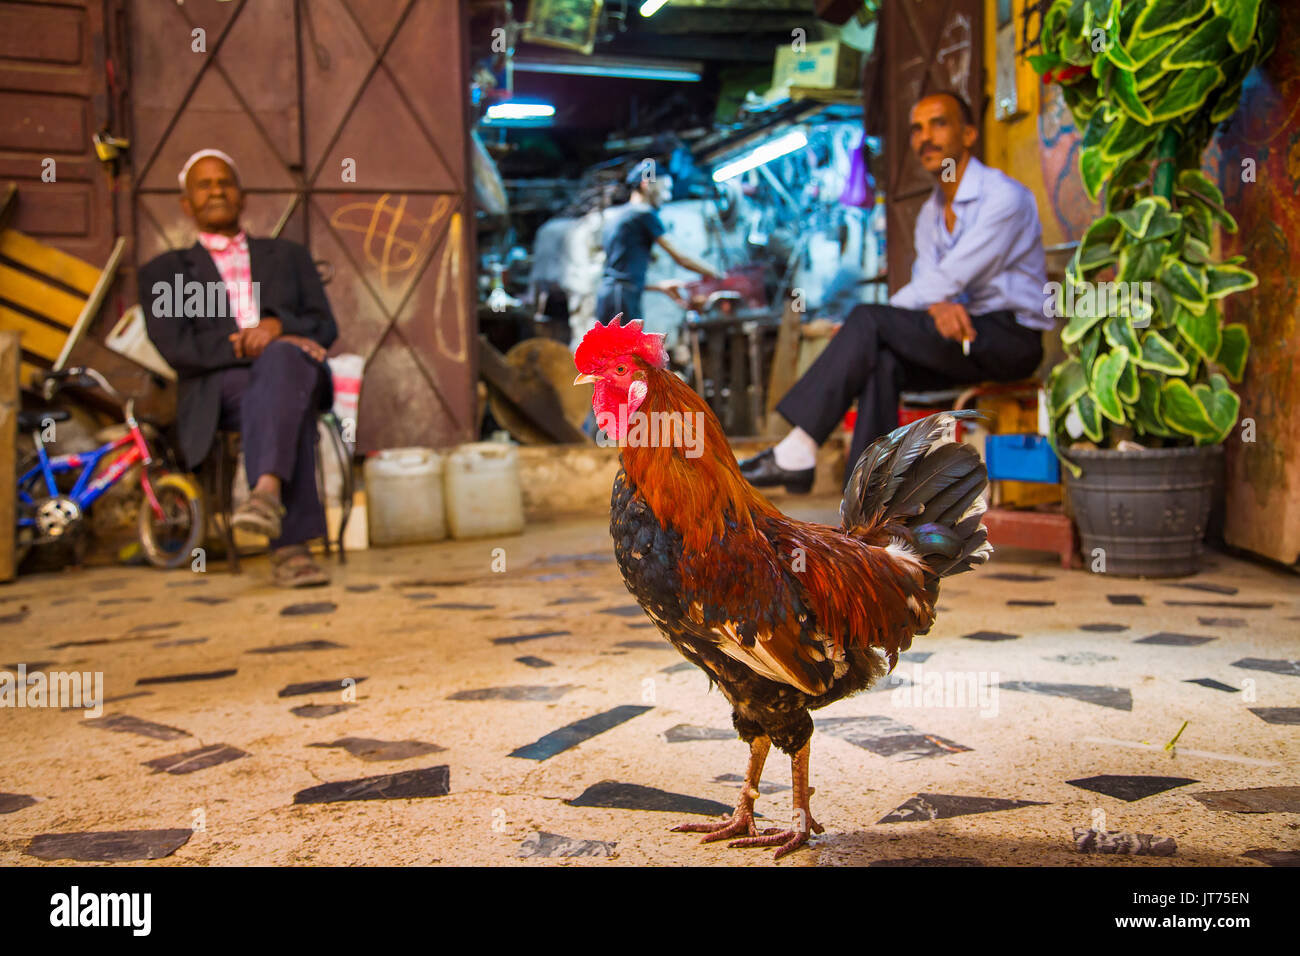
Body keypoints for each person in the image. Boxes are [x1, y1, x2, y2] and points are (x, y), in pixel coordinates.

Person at [740, 91, 1049, 492]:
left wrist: (872, 324)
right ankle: (867, 497)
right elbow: (934, 287)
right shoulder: (931, 213)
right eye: (917, 129)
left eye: (939, 124)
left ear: (969, 134)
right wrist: (936, 304)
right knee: (881, 359)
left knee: (869, 323)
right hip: (959, 333)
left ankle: (798, 451)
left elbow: (947, 279)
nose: (925, 137)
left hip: (1010, 339)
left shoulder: (1002, 198)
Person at [140, 149, 337, 587]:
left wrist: (279, 328)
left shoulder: (289, 256)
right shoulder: (166, 274)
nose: (216, 190)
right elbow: (179, 348)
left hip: (292, 375)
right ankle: (290, 549)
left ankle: (264, 492)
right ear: (186, 204)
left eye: (224, 182)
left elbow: (325, 326)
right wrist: (256, 343)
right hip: (220, 390)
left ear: (242, 197)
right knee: (284, 383)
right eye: (203, 184)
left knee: (284, 368)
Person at [595, 160, 719, 323]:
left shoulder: (619, 215)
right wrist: (718, 274)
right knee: (628, 348)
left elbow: (620, 273)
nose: (666, 196)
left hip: (613, 296)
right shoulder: (643, 214)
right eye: (664, 189)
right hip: (622, 299)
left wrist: (660, 286)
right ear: (646, 184)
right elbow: (681, 257)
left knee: (614, 348)